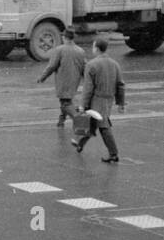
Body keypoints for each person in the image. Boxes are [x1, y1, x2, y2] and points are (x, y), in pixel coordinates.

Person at [72, 35, 125, 163]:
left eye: (93, 46)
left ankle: (113, 154)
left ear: (96, 48)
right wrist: (120, 103)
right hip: (108, 100)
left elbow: (88, 88)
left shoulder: (92, 65)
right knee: (93, 123)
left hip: (96, 100)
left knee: (103, 126)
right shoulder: (115, 64)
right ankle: (80, 143)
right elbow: (120, 85)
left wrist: (83, 105)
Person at [36, 28, 87, 127]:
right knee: (67, 100)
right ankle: (61, 121)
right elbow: (85, 68)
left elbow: (51, 66)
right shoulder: (80, 51)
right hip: (75, 81)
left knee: (65, 103)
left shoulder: (59, 50)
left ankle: (79, 120)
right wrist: (89, 81)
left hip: (63, 81)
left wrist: (42, 77)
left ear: (64, 37)